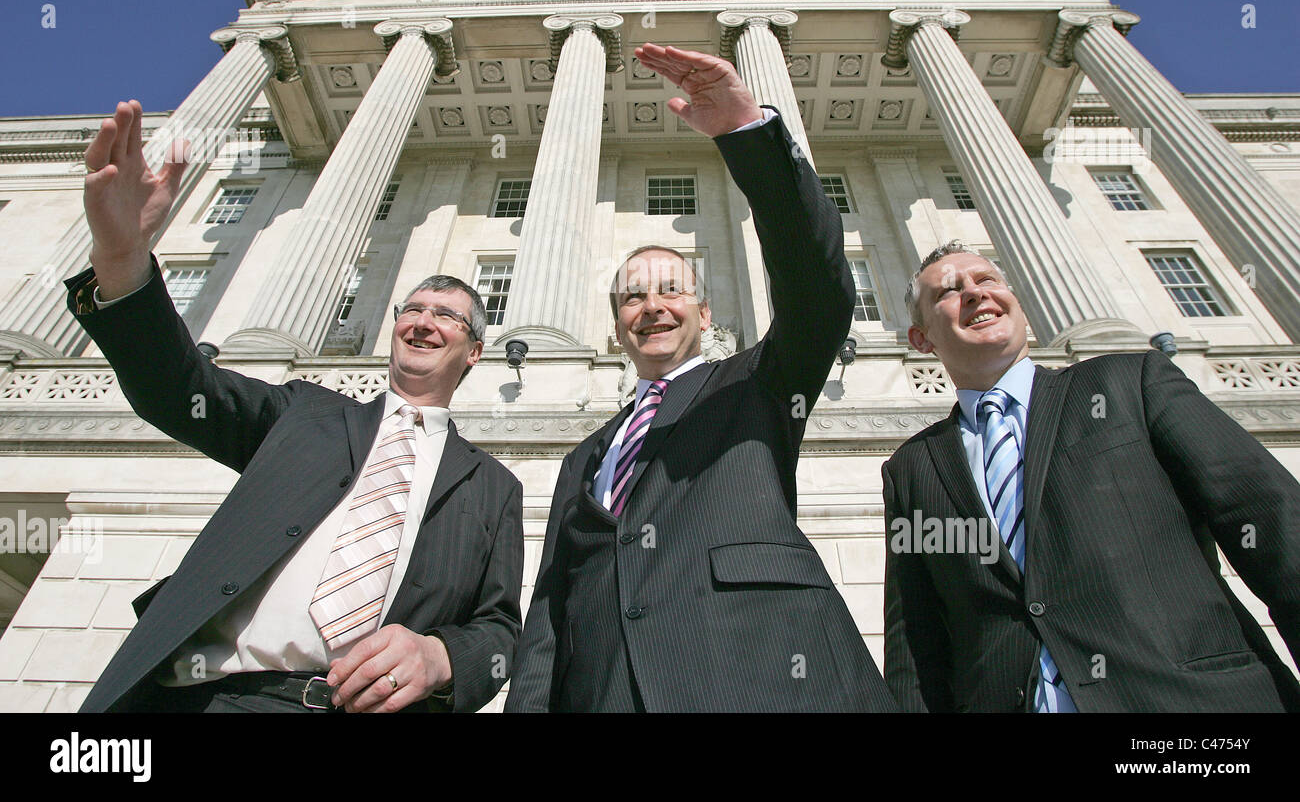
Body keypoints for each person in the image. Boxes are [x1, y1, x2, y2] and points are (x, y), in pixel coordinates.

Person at [69, 100, 523, 713]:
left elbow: (498, 628)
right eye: (410, 311)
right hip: (209, 699)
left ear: (473, 352)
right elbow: (179, 390)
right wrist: (123, 263)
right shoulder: (303, 415)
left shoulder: (493, 487)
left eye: (445, 316)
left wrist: (442, 656)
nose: (422, 323)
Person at [505, 44, 897, 712]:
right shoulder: (585, 458)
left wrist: (749, 136)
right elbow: (548, 617)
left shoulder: (759, 386)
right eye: (632, 297)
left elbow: (815, 285)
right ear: (616, 323)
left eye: (670, 290)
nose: (651, 306)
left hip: (759, 681)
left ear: (705, 312)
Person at [883, 241, 1300, 712]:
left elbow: (1272, 520)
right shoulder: (912, 467)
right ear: (921, 339)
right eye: (950, 292)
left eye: (987, 280)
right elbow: (915, 643)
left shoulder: (1130, 382)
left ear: (1019, 307)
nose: (977, 294)